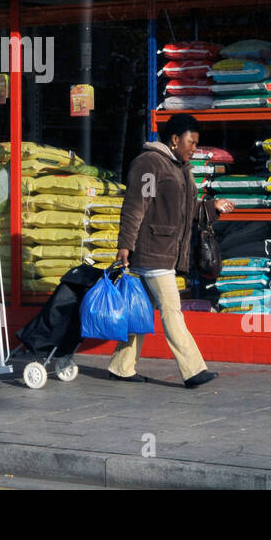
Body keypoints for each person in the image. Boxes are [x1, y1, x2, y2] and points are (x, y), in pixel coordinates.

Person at [110, 112, 234, 388]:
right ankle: (193, 369)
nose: (194, 148)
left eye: (197, 143)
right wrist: (125, 245)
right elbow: (135, 206)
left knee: (140, 311)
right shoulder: (150, 164)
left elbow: (187, 211)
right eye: (191, 142)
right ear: (175, 139)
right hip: (152, 251)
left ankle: (121, 366)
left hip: (163, 251)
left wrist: (211, 207)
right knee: (171, 310)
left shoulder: (180, 168)